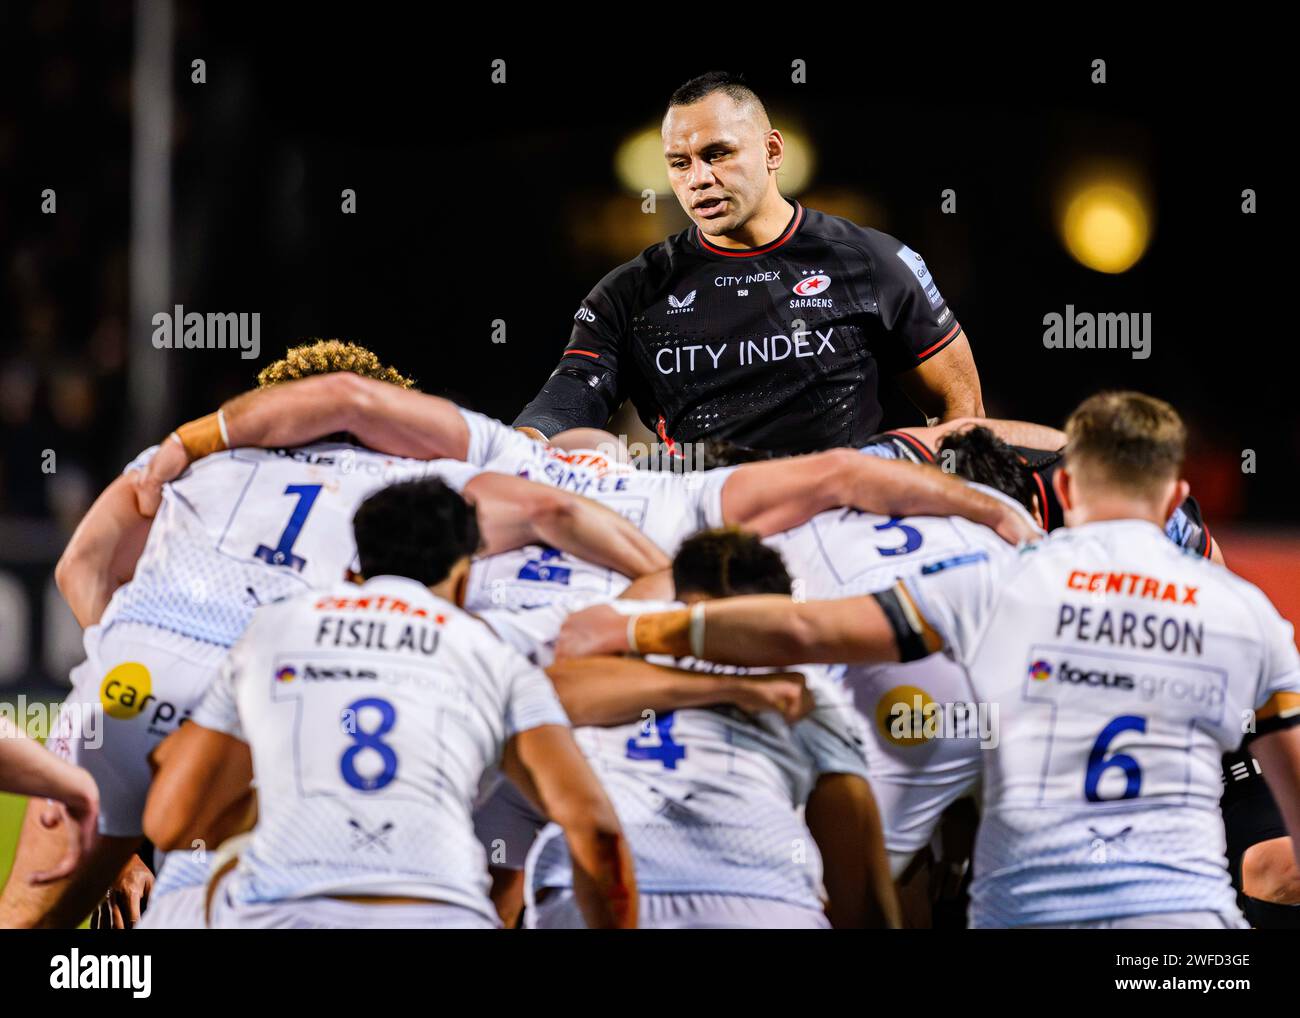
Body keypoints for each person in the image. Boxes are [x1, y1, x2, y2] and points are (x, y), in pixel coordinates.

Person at [561, 392, 1300, 929]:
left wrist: (640, 632)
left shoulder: (995, 575)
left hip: (1023, 899)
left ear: (1065, 487)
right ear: (1176, 495)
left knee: (857, 866)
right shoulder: (1243, 613)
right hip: (1183, 934)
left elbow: (803, 630)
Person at [0, 340, 662, 929]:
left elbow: (79, 567)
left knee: (28, 918)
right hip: (284, 684)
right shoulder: (424, 482)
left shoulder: (198, 454)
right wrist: (669, 579)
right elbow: (554, 510)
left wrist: (121, 665)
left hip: (137, 666)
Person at [143, 479, 636, 929]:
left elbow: (172, 822)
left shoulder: (275, 629)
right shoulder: (493, 654)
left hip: (286, 910)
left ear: (351, 570)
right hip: (440, 913)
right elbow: (594, 828)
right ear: (463, 578)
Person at [513, 71, 983, 454]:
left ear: (772, 151)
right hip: (702, 530)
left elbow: (959, 407)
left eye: (718, 154)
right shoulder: (628, 291)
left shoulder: (871, 261)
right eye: (679, 163)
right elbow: (572, 396)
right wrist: (520, 447)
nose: (699, 178)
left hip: (839, 518)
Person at [525, 528, 898, 929]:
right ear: (776, 610)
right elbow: (851, 847)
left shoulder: (604, 634)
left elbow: (544, 698)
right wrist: (736, 689)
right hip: (757, 883)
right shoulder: (804, 681)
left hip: (597, 873)